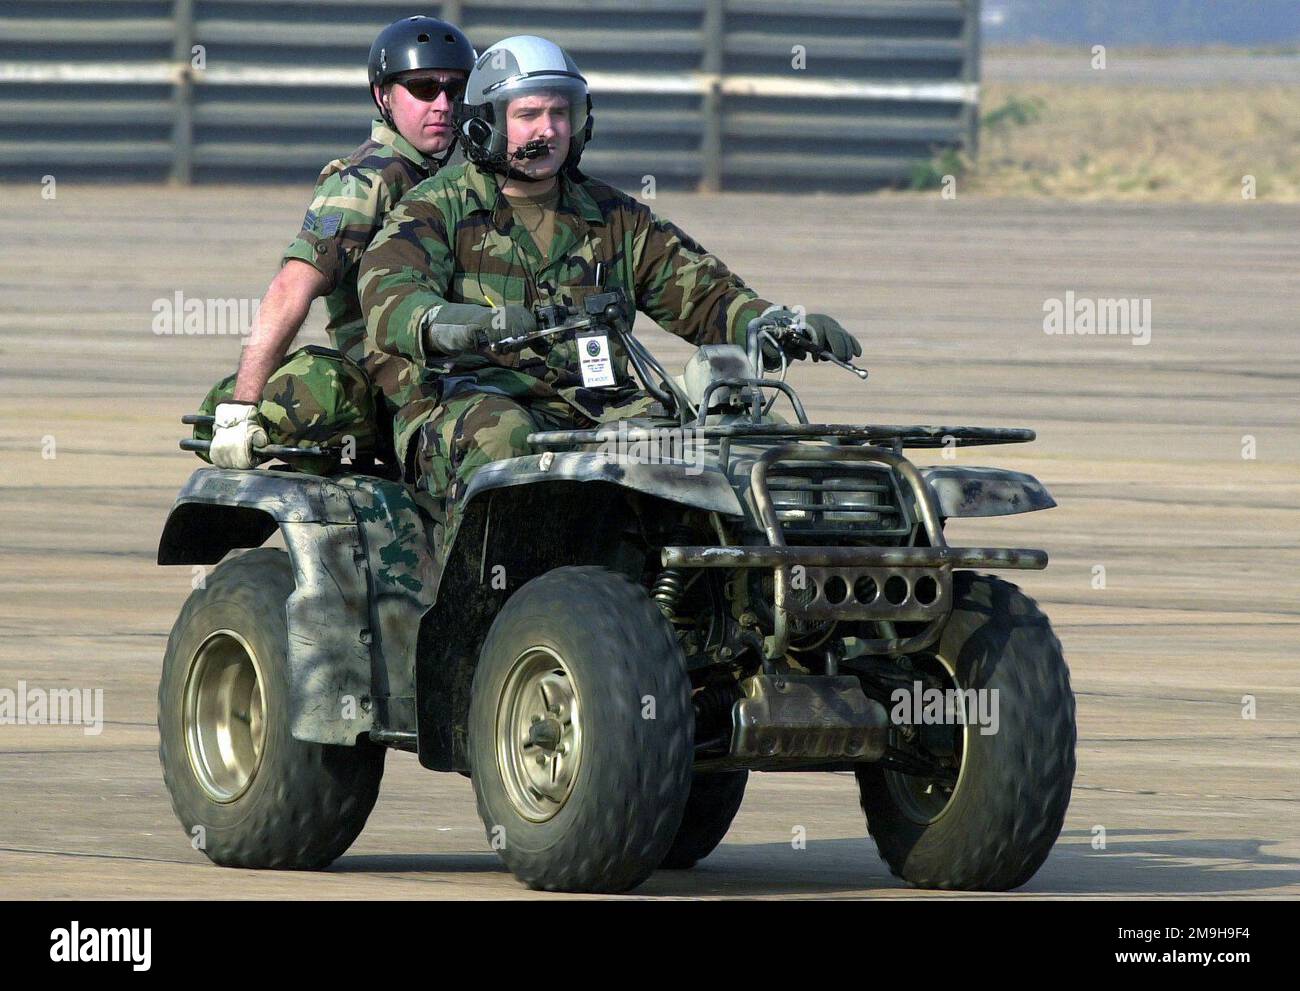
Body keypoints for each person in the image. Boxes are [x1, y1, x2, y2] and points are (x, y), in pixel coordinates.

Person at [358, 35, 859, 556]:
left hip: (602, 407)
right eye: (528, 114)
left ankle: (728, 598)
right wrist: (475, 324)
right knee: (507, 443)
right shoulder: (435, 210)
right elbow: (390, 301)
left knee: (726, 450)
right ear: (487, 120)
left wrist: (774, 323)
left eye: (560, 113)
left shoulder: (614, 216)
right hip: (469, 401)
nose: (547, 130)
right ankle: (505, 607)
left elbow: (704, 294)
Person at [206, 15, 476, 469]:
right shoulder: (366, 182)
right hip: (397, 382)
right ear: (383, 96)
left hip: (457, 361)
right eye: (424, 88)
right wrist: (240, 411)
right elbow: (293, 286)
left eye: (456, 89)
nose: (444, 104)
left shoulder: (460, 177)